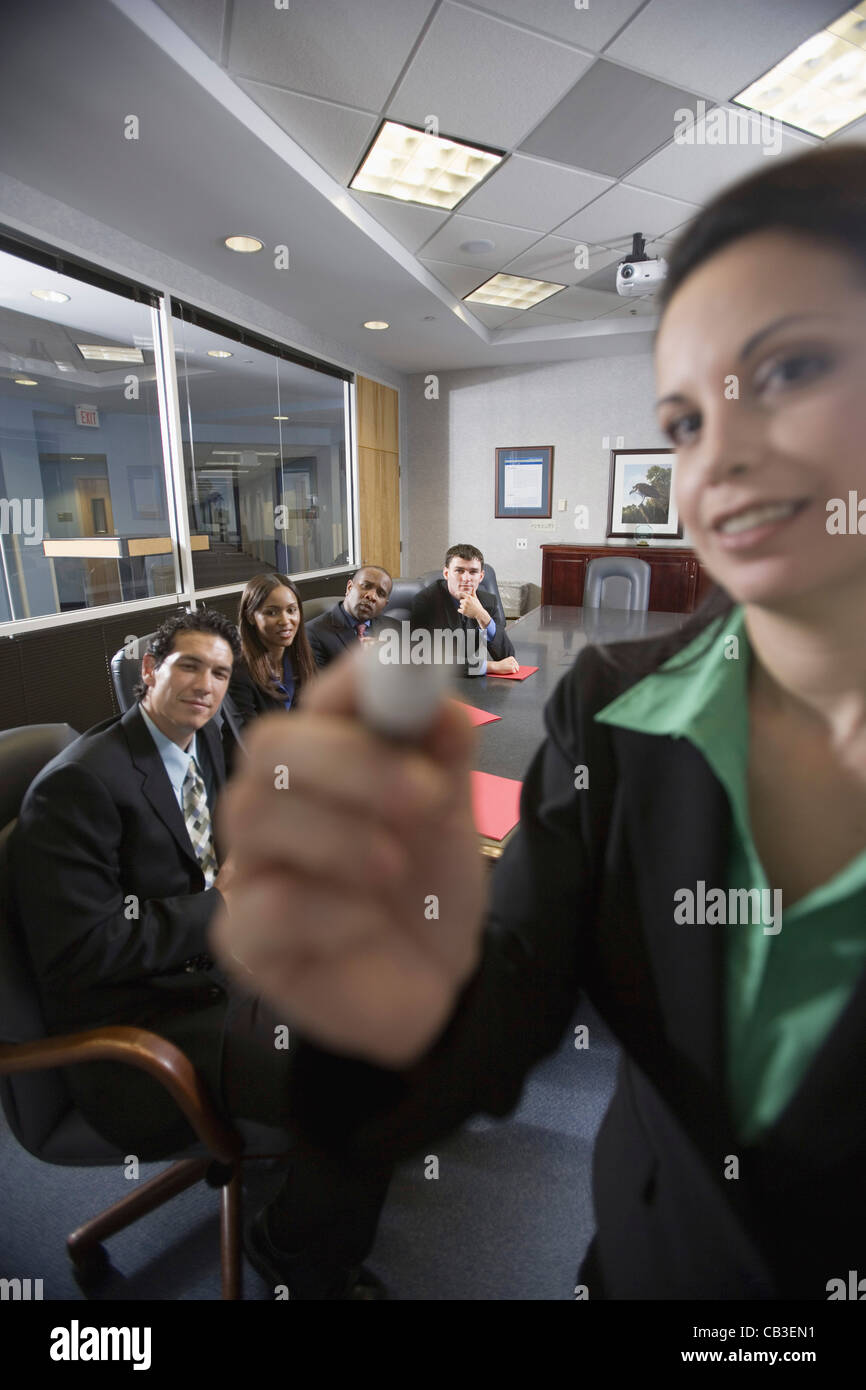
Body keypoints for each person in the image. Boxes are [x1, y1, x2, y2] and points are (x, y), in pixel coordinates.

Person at [210, 143, 866, 1300]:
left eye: (793, 367)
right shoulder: (614, 703)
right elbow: (506, 976)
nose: (719, 463)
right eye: (684, 422)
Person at [13, 608, 390, 1299]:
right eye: (189, 665)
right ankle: (293, 1252)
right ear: (149, 672)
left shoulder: (205, 736)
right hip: (138, 1026)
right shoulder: (82, 786)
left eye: (220, 672)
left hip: (219, 969)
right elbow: (84, 951)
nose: (207, 686)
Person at [410, 545, 519, 676]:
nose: (466, 578)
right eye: (459, 571)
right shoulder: (426, 601)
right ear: (446, 573)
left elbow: (507, 657)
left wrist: (482, 616)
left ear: (481, 576)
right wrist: (489, 667)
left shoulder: (488, 602)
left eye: (473, 572)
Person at [228, 573, 317, 730]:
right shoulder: (238, 672)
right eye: (271, 612)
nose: (285, 621)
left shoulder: (301, 659)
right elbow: (249, 740)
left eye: (291, 610)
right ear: (250, 616)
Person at [306, 565, 393, 668]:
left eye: (380, 593)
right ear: (349, 588)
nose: (371, 596)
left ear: (384, 605)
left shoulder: (395, 629)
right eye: (366, 586)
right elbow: (318, 683)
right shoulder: (312, 634)